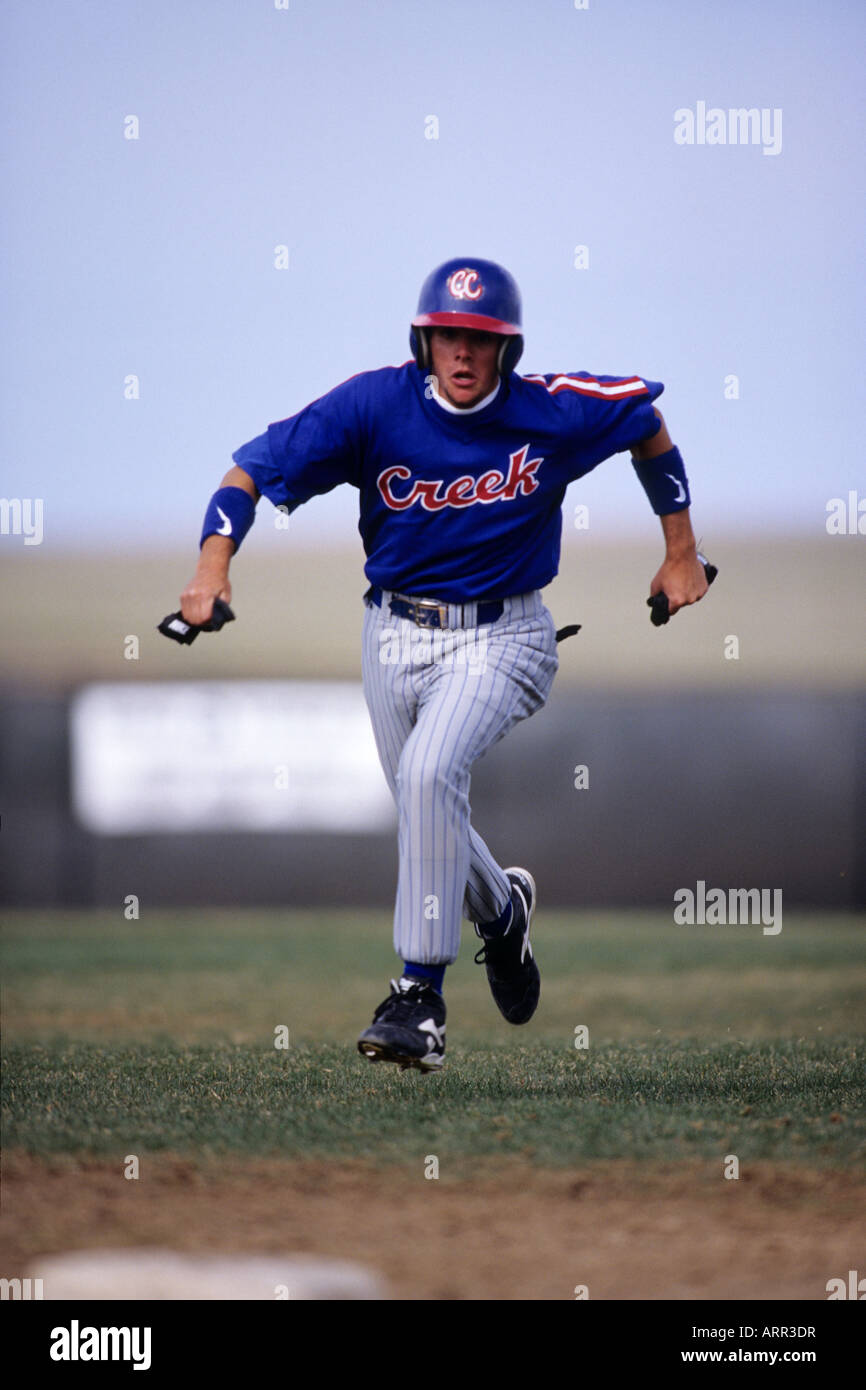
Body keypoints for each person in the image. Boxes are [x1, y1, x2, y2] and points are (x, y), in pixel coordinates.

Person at [179, 256, 708, 1073]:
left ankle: (418, 998)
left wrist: (683, 553)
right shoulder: (373, 406)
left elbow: (644, 418)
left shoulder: (553, 414)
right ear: (424, 342)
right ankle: (502, 913)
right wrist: (213, 569)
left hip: (507, 635)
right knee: (428, 811)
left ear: (508, 349)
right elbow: (251, 469)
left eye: (480, 339)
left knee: (428, 779)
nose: (462, 353)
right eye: (447, 336)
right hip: (391, 634)